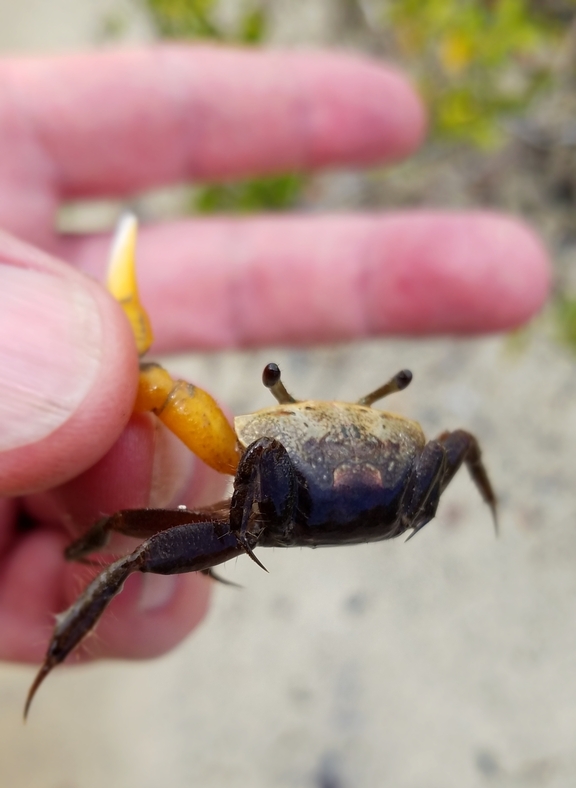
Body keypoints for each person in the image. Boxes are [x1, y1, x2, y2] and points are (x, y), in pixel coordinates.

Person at [0, 45, 550, 667]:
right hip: (340, 514)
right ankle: (72, 591)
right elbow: (456, 447)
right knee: (455, 441)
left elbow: (201, 424)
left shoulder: (252, 476)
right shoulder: (381, 473)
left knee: (133, 538)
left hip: (251, 525)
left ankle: (66, 611)